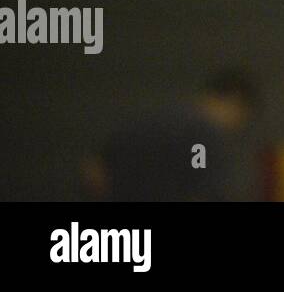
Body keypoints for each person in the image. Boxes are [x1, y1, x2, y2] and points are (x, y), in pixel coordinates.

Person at [84, 69, 259, 201]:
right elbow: (204, 191)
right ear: (233, 102)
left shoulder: (152, 121)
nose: (237, 126)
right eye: (241, 116)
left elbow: (95, 172)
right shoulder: (205, 135)